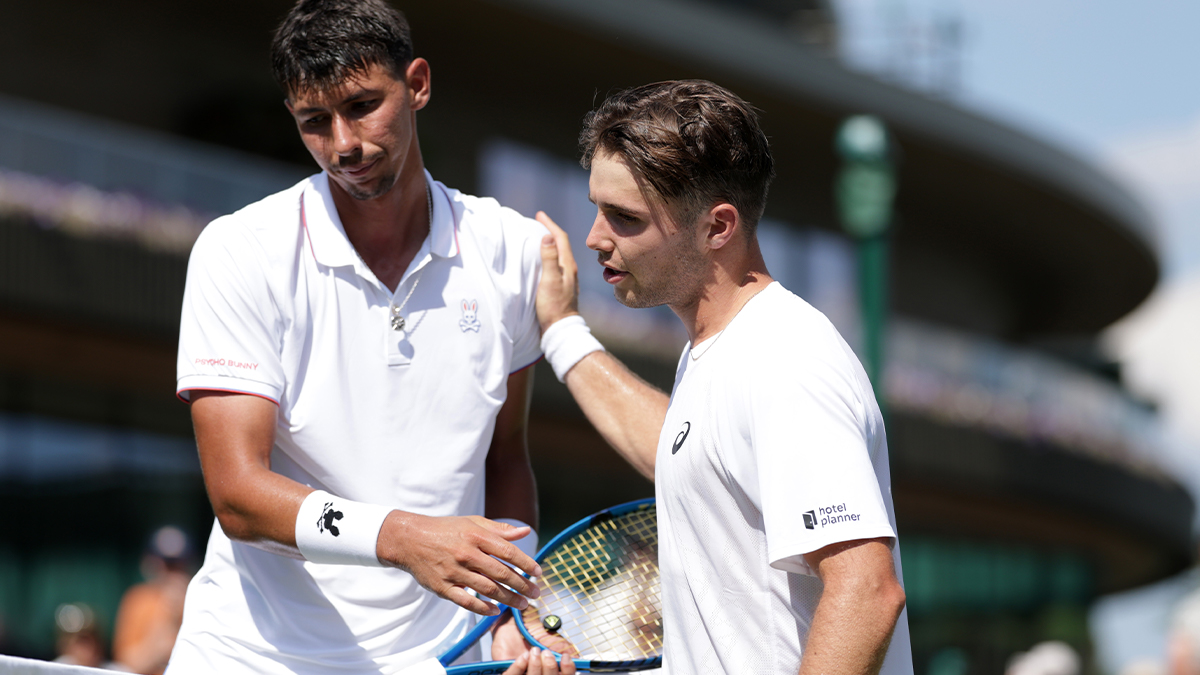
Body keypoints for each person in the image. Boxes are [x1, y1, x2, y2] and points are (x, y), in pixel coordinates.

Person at [168, 1, 572, 673]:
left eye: (362, 106)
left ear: (417, 84)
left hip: (437, 655)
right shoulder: (240, 248)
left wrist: (512, 609)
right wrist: (402, 537)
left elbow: (503, 459)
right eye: (313, 121)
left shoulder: (513, 249)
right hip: (251, 656)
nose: (343, 145)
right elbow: (238, 494)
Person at [533, 80, 914, 674]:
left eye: (625, 218)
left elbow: (866, 593)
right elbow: (681, 448)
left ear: (718, 227)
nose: (594, 237)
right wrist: (562, 331)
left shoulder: (783, 359)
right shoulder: (721, 353)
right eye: (597, 208)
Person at [111, 527, 194, 675]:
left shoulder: (199, 601)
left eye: (178, 564)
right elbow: (126, 665)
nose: (172, 571)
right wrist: (167, 623)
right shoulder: (138, 600)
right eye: (167, 563)